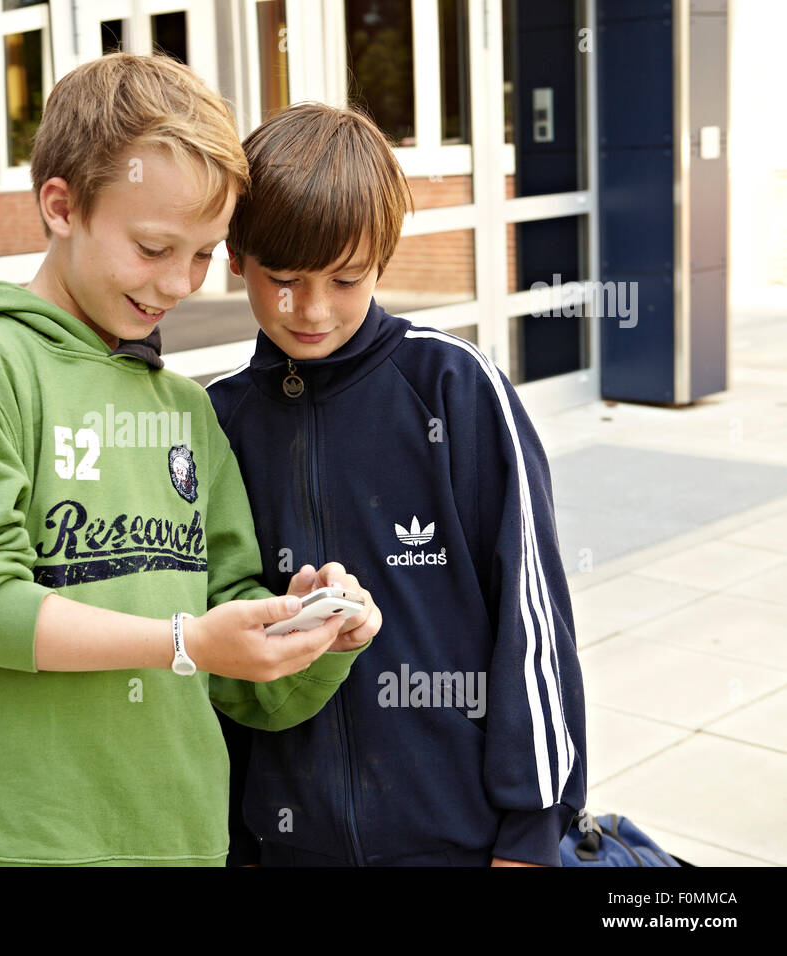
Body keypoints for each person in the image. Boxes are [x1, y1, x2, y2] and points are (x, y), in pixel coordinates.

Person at [0, 54, 383, 867]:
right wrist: (180, 640)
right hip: (19, 845)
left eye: (206, 254)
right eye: (152, 247)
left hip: (179, 841)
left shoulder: (184, 409)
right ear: (61, 206)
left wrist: (311, 633)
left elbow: (234, 665)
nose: (178, 283)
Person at [208, 102, 587, 867]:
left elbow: (532, 617)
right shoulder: (218, 421)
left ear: (383, 254)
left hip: (458, 841)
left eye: (345, 279)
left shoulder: (455, 387)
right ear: (235, 255)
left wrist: (530, 831)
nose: (312, 310)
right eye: (283, 279)